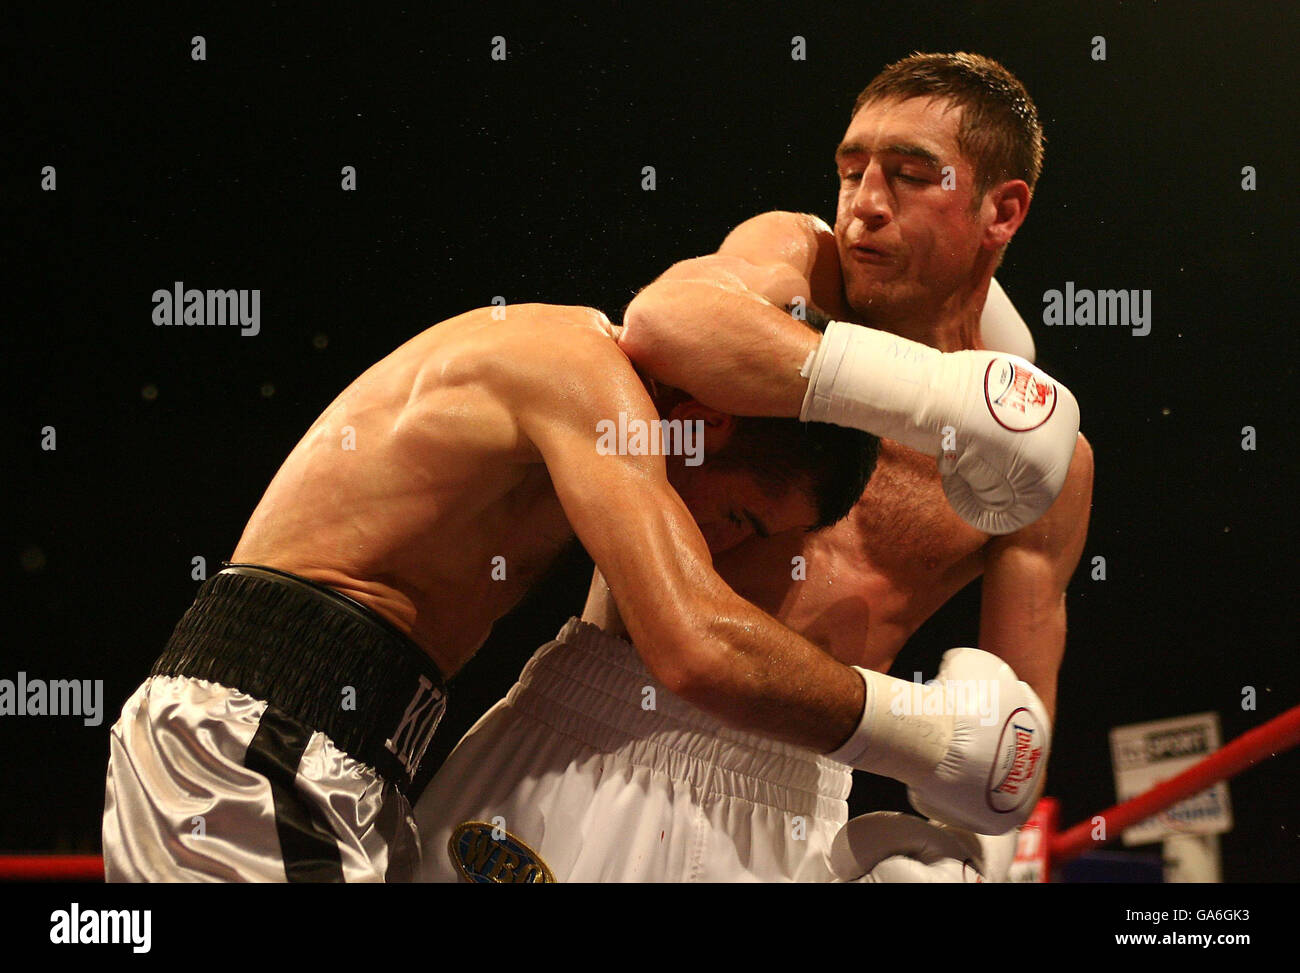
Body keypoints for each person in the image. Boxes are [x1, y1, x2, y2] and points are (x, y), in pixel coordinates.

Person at [414, 52, 1091, 883]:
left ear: (1003, 209)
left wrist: (976, 861)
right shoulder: (796, 268)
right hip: (594, 729)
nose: (865, 206)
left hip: (796, 799)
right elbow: (664, 319)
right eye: (852, 170)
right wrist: (942, 397)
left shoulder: (1042, 466)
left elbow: (1011, 745)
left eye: (912, 175)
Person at [102, 300, 880, 882]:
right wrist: (933, 735)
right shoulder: (583, 378)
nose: (729, 546)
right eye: (742, 515)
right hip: (256, 741)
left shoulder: (601, 414)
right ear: (706, 426)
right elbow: (694, 640)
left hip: (345, 750)